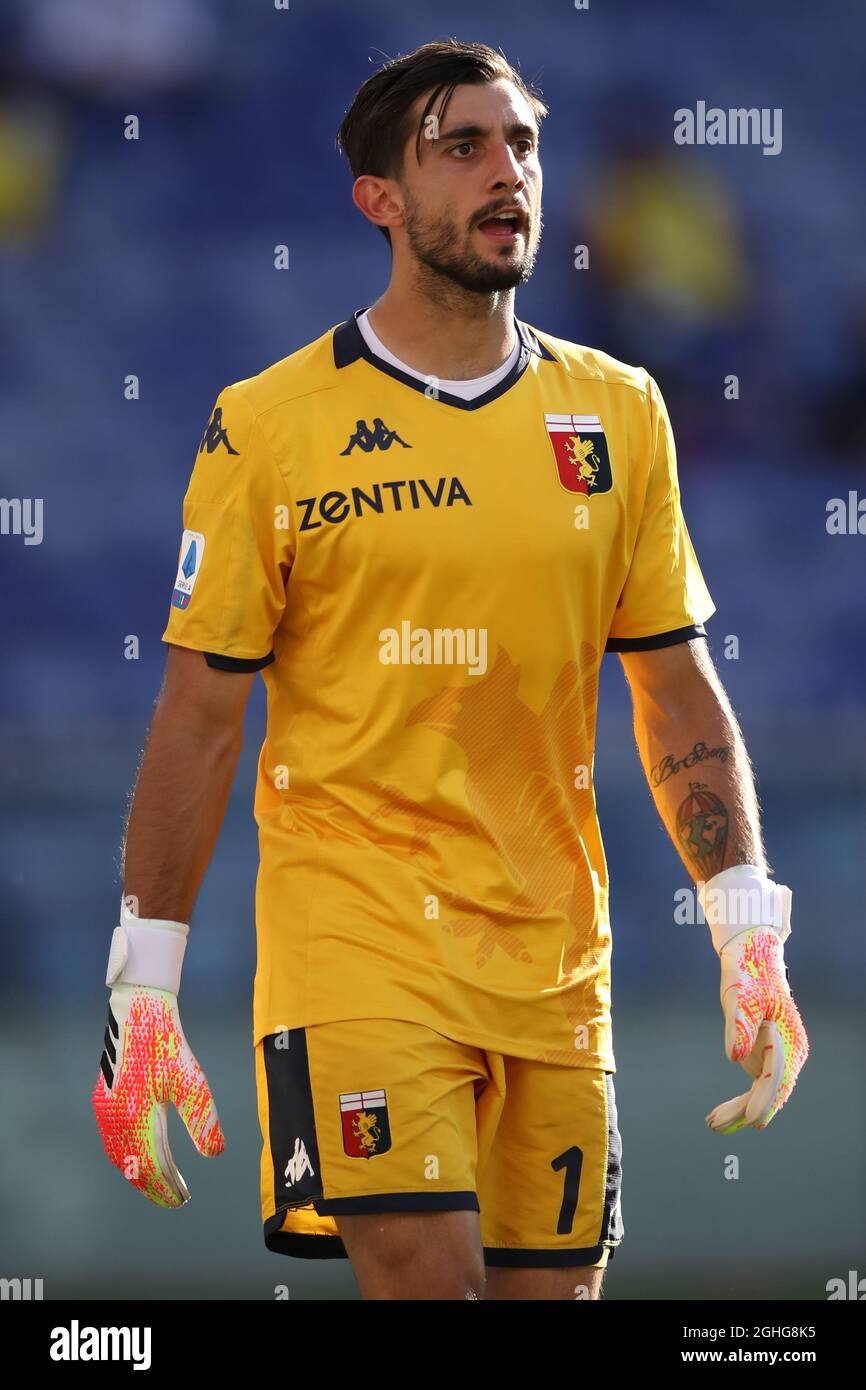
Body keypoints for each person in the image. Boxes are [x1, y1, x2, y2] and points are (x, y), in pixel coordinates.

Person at [91, 39, 808, 1302]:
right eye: (461, 146)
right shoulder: (267, 426)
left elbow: (674, 687)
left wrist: (743, 916)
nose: (505, 172)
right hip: (355, 940)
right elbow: (200, 718)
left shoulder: (618, 412)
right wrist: (143, 982)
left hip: (552, 959)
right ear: (379, 198)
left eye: (521, 142)